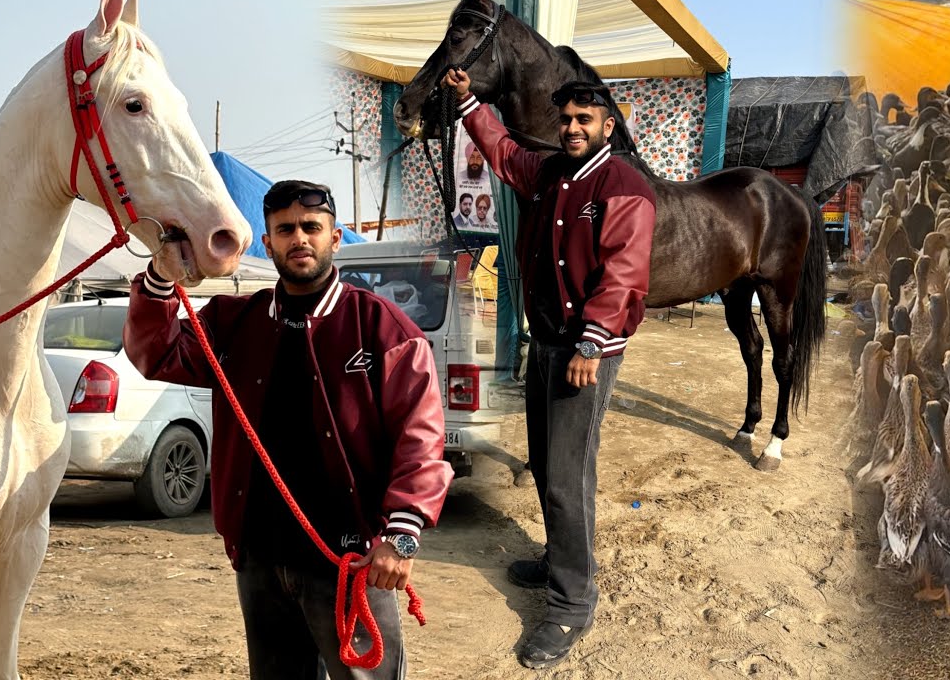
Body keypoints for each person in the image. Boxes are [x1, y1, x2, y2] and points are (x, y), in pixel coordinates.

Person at [122, 179, 454, 679]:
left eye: (311, 227)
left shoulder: (382, 329)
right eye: (285, 229)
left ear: (335, 238)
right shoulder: (234, 321)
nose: (299, 238)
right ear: (268, 242)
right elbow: (156, 353)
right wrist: (158, 281)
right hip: (260, 558)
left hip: (350, 559)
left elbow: (421, 439)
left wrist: (403, 534)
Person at [444, 68, 656, 669]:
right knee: (545, 462)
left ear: (607, 126)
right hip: (547, 344)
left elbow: (623, 271)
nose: (571, 128)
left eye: (583, 120)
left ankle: (571, 603)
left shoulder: (624, 185)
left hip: (585, 351)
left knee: (567, 475)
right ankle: (561, 556)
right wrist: (467, 104)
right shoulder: (552, 173)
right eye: (565, 120)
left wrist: (592, 345)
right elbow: (507, 154)